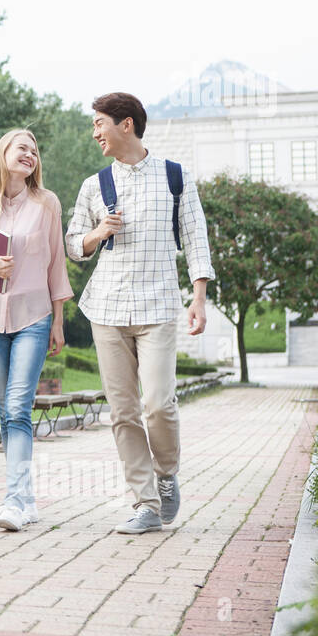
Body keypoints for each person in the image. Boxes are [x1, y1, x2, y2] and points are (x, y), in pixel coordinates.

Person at [64, 93, 215, 534]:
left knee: (158, 404)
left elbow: (196, 238)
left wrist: (199, 297)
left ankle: (166, 475)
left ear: (125, 125)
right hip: (106, 308)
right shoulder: (95, 185)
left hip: (158, 306)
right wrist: (97, 232)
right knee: (123, 411)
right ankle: (145, 503)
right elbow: (73, 245)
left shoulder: (174, 177)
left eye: (99, 124)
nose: (95, 134)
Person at [0, 129, 73, 531]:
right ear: (2, 153)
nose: (30, 155)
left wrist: (58, 321)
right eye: (23, 148)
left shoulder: (47, 204)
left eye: (35, 151)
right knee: (7, 412)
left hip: (33, 317)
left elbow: (57, 264)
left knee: (19, 408)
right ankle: (27, 497)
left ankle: (14, 501)